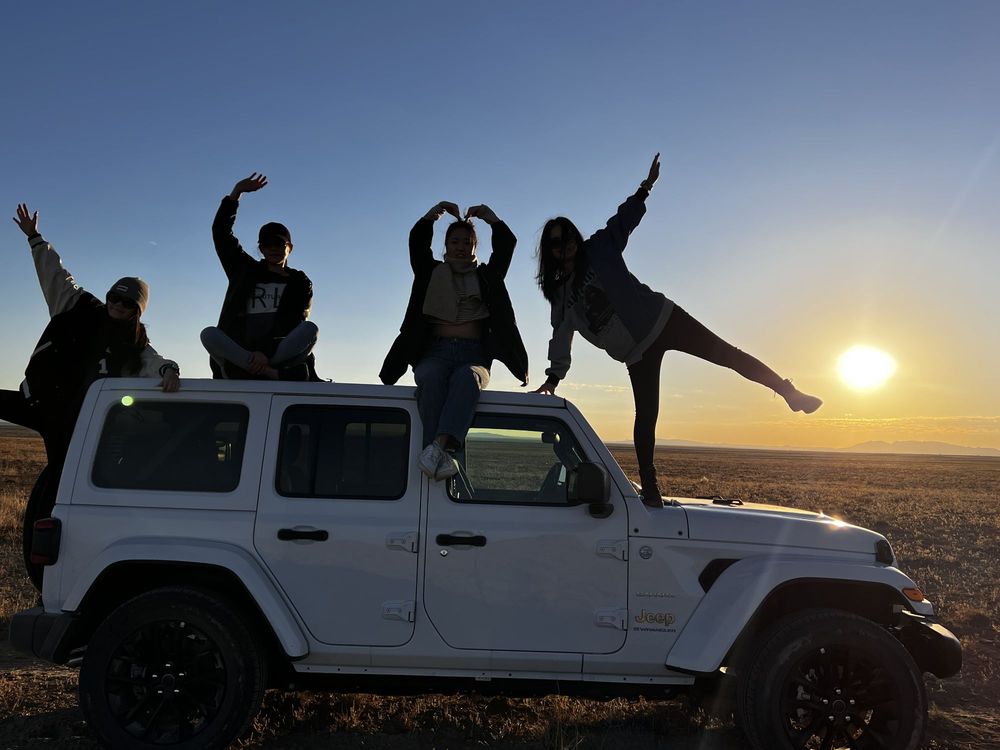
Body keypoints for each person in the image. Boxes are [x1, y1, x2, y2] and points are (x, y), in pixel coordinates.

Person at [533, 155, 822, 506]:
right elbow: (561, 338)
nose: (565, 246)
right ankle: (650, 489)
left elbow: (624, 219)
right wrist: (553, 377)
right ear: (549, 252)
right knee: (646, 416)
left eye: (568, 238)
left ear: (576, 238)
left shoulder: (599, 248)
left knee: (728, 355)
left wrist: (646, 186)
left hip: (665, 319)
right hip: (636, 352)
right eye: (556, 243)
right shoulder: (561, 297)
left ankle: (790, 394)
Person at [4, 203, 180, 588]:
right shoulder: (78, 306)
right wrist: (35, 238)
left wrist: (170, 370)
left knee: (59, 487)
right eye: (114, 299)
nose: (117, 307)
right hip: (38, 401)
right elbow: (56, 276)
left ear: (137, 309)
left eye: (126, 304)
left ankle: (49, 563)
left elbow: (156, 361)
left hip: (72, 422)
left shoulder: (136, 344)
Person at [380, 201, 528, 480]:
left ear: (475, 247)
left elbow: (507, 245)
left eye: (467, 242)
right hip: (435, 352)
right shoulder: (429, 272)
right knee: (429, 376)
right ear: (445, 245)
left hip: (474, 355)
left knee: (466, 379)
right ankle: (443, 455)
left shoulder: (488, 276)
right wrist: (433, 213)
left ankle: (435, 448)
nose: (461, 246)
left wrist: (490, 217)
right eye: (455, 240)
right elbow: (417, 242)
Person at [201, 173, 319, 380]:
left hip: (276, 354)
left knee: (310, 329)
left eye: (279, 244)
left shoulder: (299, 282)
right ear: (261, 249)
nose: (273, 249)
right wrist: (236, 193)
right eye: (267, 245)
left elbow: (296, 321)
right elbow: (221, 233)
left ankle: (249, 370)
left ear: (289, 247)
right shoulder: (244, 270)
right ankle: (268, 373)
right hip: (242, 351)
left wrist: (265, 354)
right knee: (209, 334)